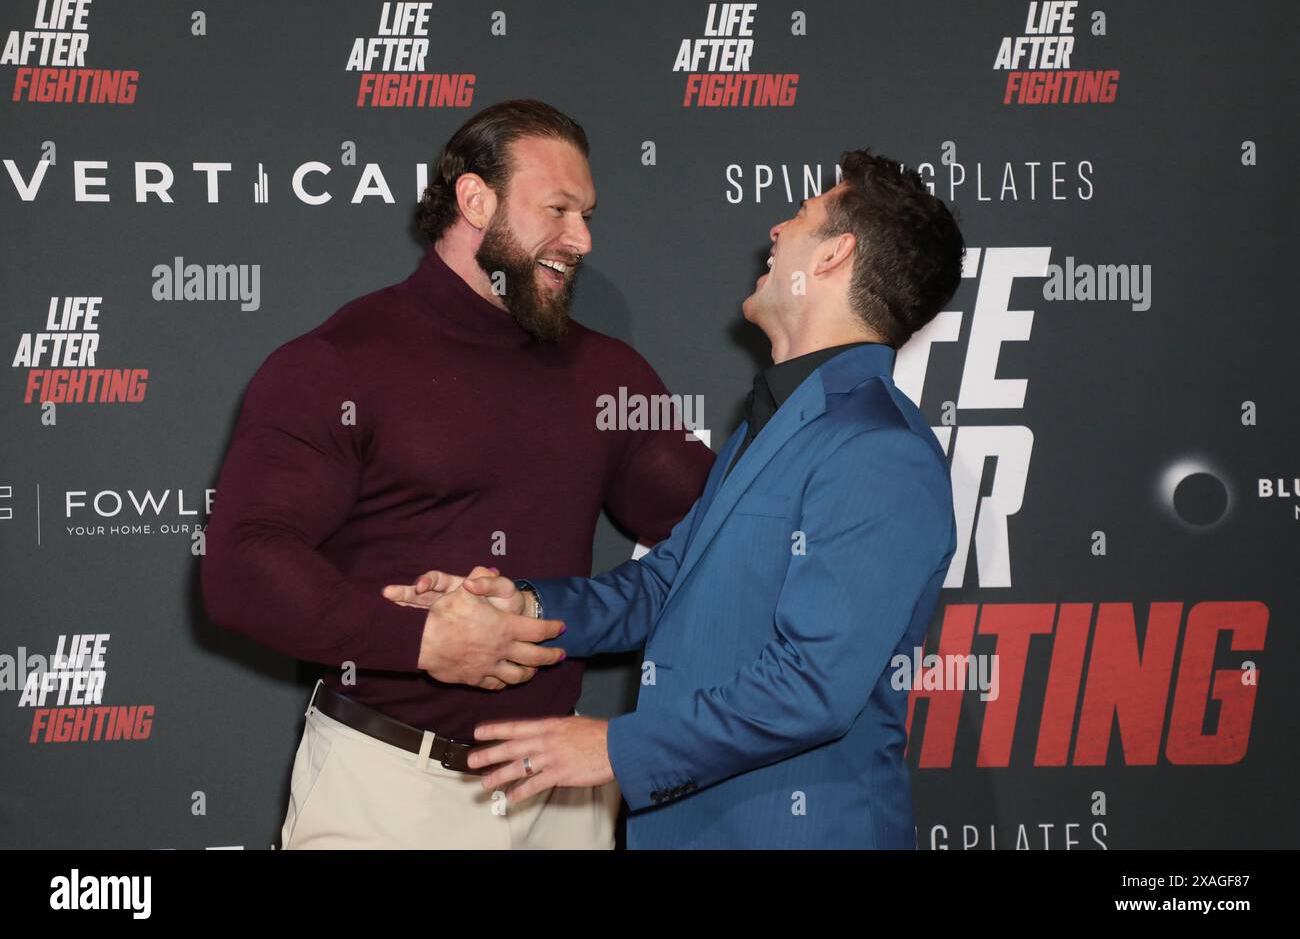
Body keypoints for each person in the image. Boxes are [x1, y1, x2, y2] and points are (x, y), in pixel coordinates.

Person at [385, 148, 965, 848]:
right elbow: (665, 586)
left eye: (801, 217)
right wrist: (527, 607)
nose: (776, 232)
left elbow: (814, 686)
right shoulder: (780, 421)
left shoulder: (879, 449)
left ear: (836, 254)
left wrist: (615, 749)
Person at [201, 99, 713, 849]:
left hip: (561, 790)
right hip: (390, 787)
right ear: (476, 199)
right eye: (559, 210)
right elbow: (243, 567)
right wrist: (422, 640)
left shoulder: (606, 373)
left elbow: (723, 528)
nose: (582, 239)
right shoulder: (339, 362)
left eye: (588, 214)